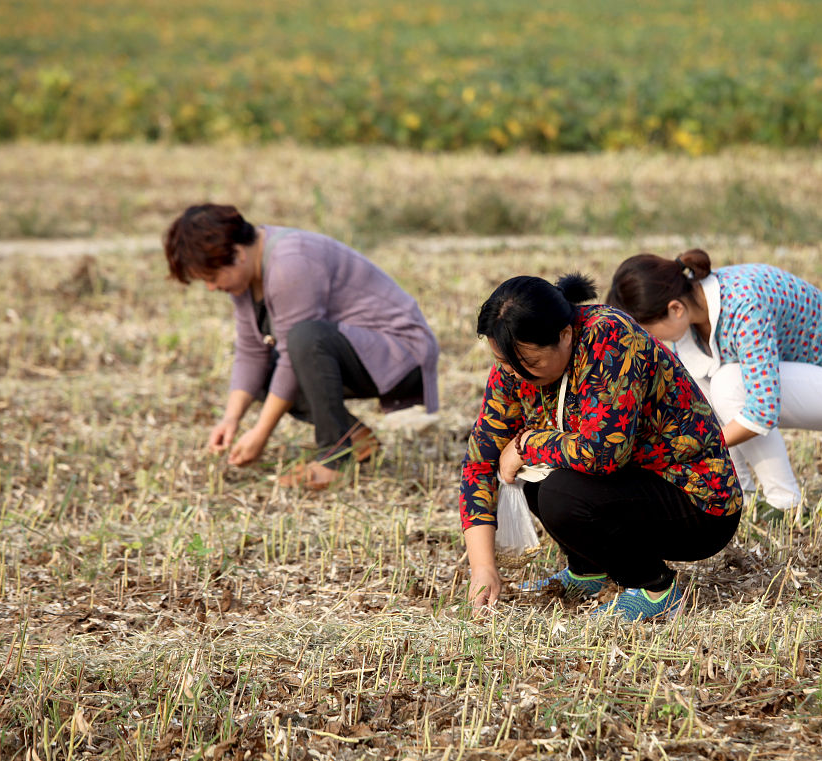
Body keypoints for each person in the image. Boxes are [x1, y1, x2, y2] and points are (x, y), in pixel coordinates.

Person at [459, 274, 741, 621]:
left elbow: (604, 453)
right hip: (632, 487)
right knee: (536, 478)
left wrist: (526, 443)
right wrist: (483, 568)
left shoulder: (610, 339)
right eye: (504, 362)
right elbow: (481, 462)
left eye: (528, 365)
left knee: (559, 492)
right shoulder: (515, 363)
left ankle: (656, 589)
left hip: (696, 501)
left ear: (564, 335)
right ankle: (587, 570)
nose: (515, 376)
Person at [163, 204, 439, 488]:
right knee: (266, 369)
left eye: (211, 278)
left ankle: (334, 458)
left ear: (237, 253)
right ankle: (354, 439)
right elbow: (250, 351)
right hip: (352, 351)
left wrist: (260, 433)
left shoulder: (290, 262)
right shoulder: (245, 278)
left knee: (305, 338)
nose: (210, 288)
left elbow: (295, 357)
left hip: (401, 353)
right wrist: (231, 419)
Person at [607, 251, 822, 516]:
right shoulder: (693, 312)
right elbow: (690, 403)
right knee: (702, 391)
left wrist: (700, 446)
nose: (649, 342)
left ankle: (786, 503)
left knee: (729, 385)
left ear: (675, 309)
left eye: (648, 333)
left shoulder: (745, 306)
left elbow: (763, 410)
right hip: (801, 377)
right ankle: (739, 497)